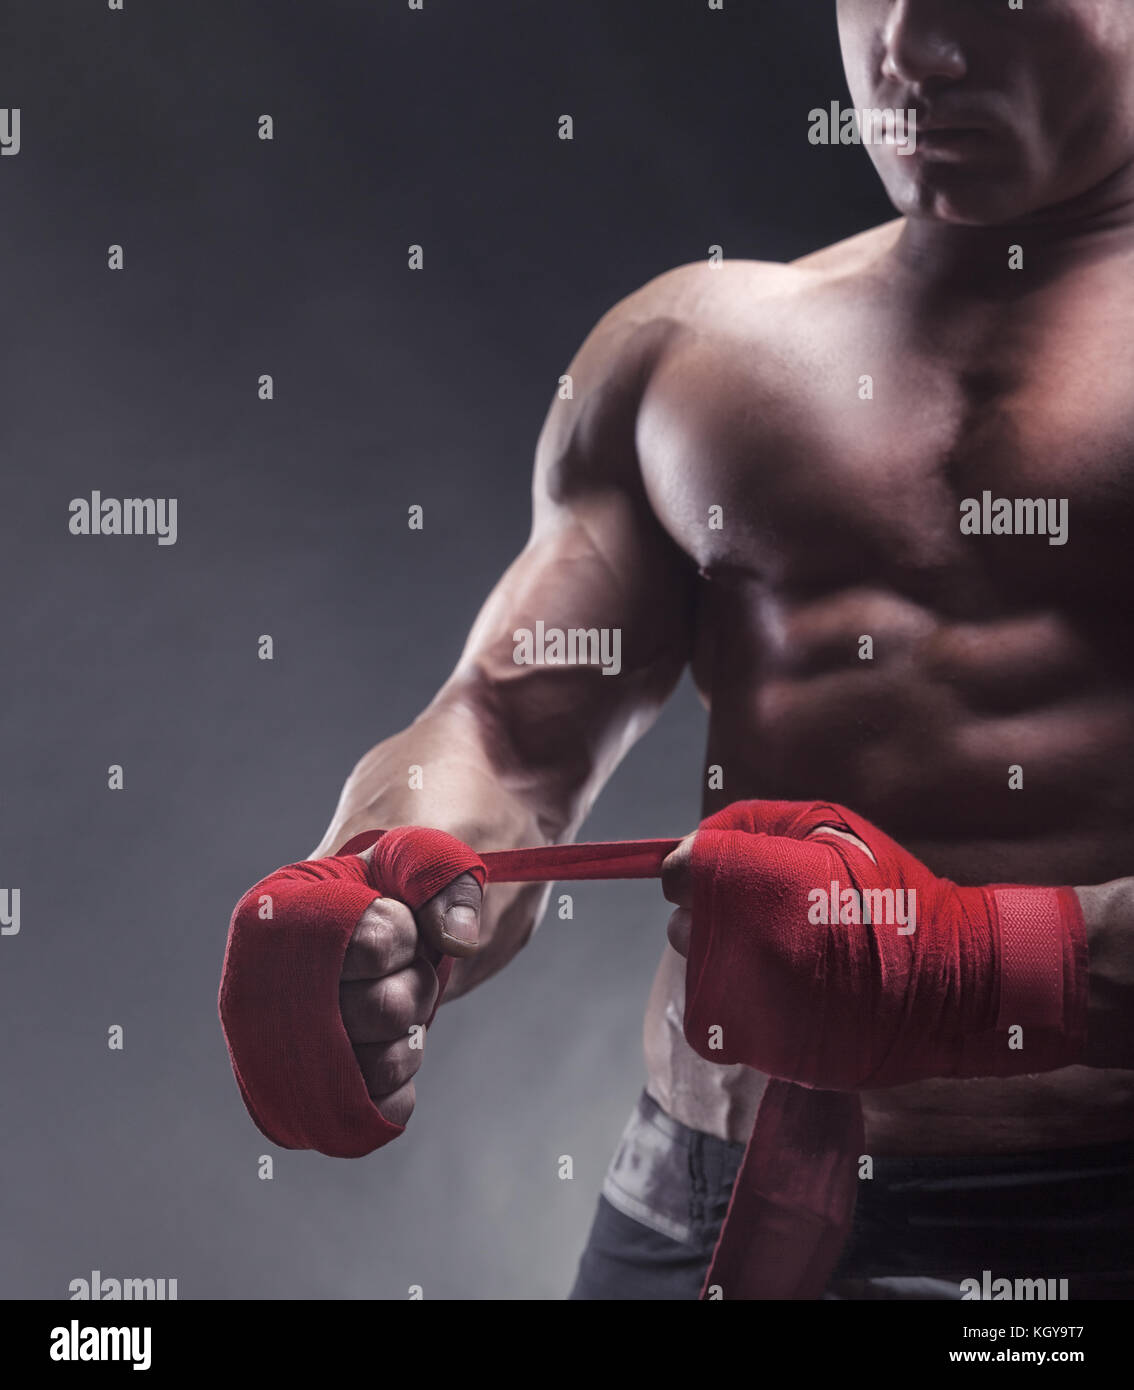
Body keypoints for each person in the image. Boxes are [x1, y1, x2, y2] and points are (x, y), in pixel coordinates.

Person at [225, 0, 1134, 1298]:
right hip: (693, 1204)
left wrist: (964, 966)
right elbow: (502, 732)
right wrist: (370, 895)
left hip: (1081, 1227)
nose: (911, 52)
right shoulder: (696, 353)